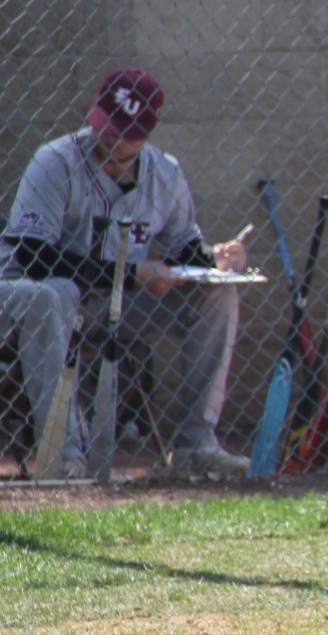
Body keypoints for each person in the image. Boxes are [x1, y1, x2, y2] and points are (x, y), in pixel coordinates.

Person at [0, 68, 251, 479]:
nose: (113, 138)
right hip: (30, 302)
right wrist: (133, 273)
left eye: (126, 131)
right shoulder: (54, 161)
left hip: (113, 306)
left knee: (216, 293)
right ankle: (64, 457)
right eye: (108, 125)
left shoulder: (164, 173)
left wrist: (217, 259)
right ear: (92, 112)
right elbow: (34, 258)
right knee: (57, 293)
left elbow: (185, 247)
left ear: (148, 132)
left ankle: (194, 445)